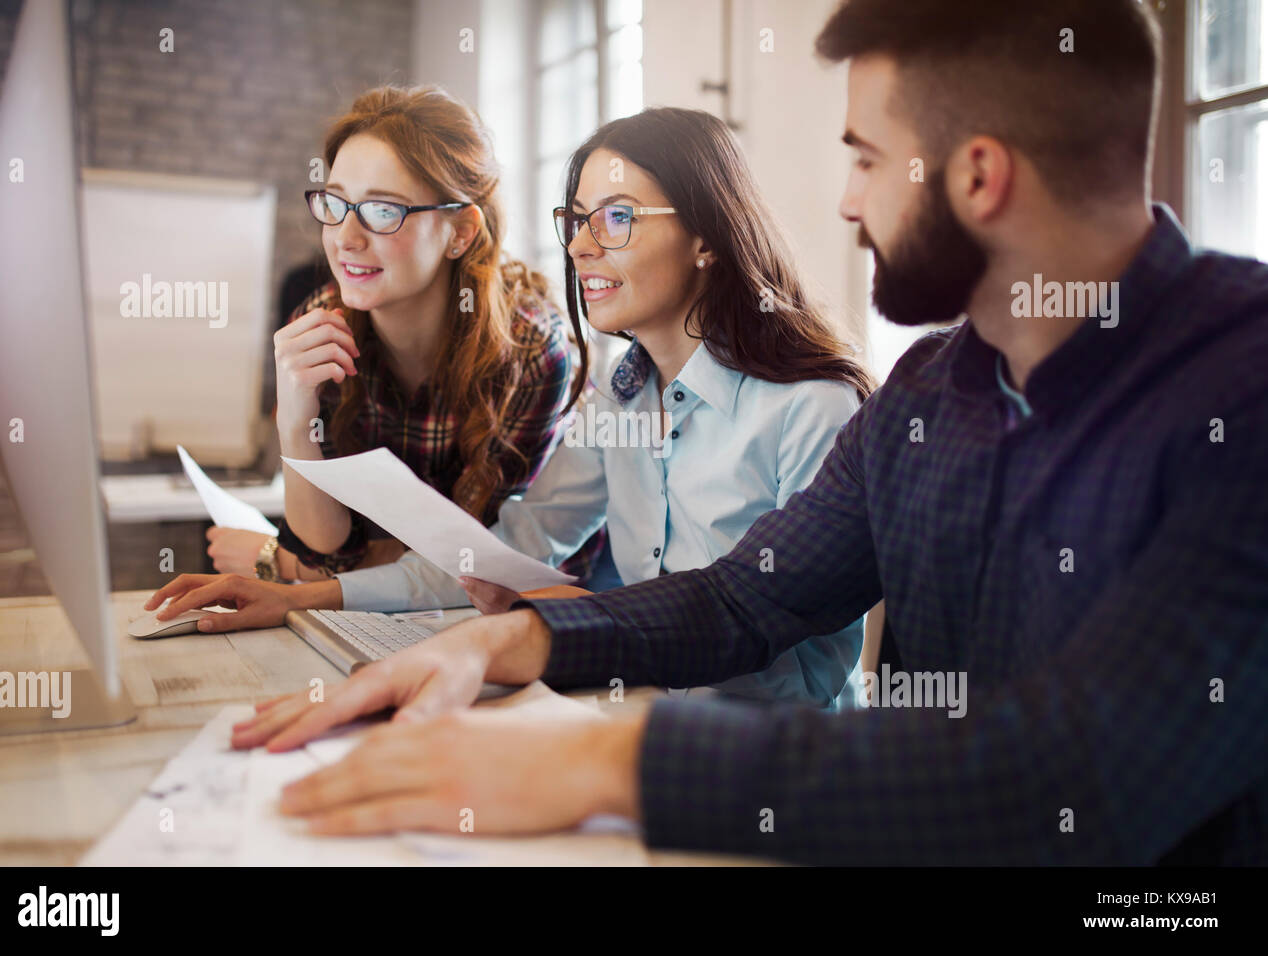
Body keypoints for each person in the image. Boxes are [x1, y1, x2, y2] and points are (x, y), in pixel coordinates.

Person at [172, 0, 1268, 865]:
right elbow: (751, 594)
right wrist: (507, 639)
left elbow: (1075, 777)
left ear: (977, 175)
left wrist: (621, 753)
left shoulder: (1243, 390)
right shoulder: (934, 388)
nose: (842, 201)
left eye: (864, 158)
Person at [149, 106, 876, 709]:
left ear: (706, 238)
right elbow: (504, 551)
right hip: (632, 717)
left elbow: (764, 629)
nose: (584, 247)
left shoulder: (813, 409)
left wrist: (543, 638)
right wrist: (305, 598)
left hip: (775, 759)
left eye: (617, 219)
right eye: (578, 219)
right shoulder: (620, 398)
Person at [200, 84, 599, 585]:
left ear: (461, 232)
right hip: (391, 613)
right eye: (336, 203)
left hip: (539, 619)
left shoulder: (530, 349)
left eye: (383, 210)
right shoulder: (323, 323)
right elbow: (327, 550)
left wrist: (281, 562)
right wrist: (297, 425)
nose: (345, 238)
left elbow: (476, 565)